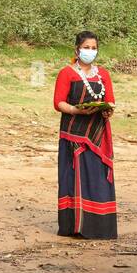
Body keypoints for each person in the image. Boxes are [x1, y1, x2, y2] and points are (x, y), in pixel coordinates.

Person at [53, 31, 117, 239]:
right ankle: (75, 227)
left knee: (97, 179)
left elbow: (110, 100)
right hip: (74, 134)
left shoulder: (103, 74)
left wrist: (108, 110)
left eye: (93, 48)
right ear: (76, 49)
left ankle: (99, 227)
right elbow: (58, 103)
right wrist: (76, 110)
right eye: (86, 47)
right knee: (75, 178)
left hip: (97, 134)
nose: (90, 51)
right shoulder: (67, 73)